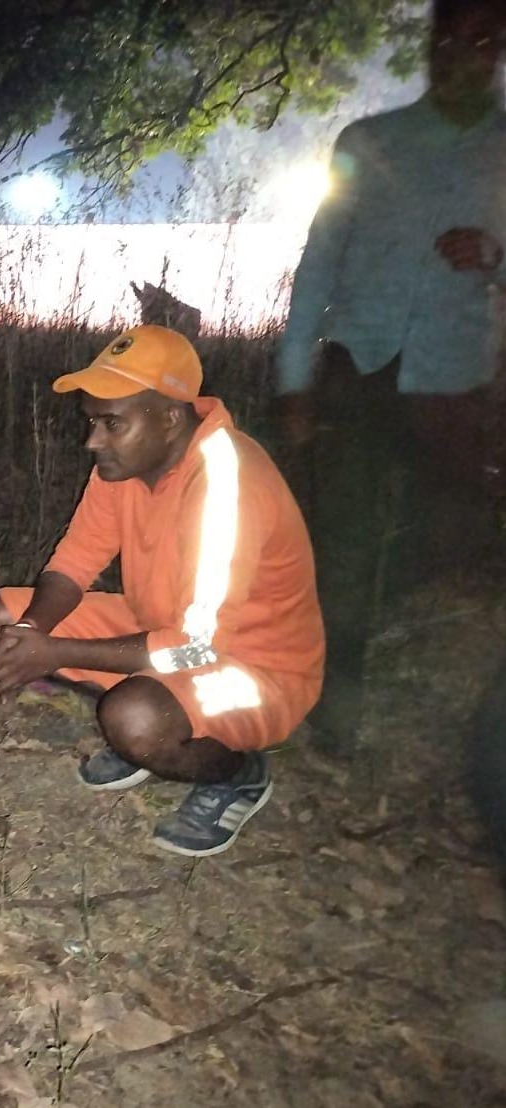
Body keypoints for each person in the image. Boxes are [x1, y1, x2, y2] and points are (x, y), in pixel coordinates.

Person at [0, 325, 324, 858]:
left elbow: (198, 647)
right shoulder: (124, 465)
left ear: (170, 418)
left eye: (112, 423)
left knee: (134, 719)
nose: (93, 441)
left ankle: (236, 772)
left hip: (257, 669)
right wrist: (28, 635)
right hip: (161, 626)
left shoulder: (226, 482)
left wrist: (54, 653)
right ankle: (154, 720)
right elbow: (75, 561)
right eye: (92, 421)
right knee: (2, 618)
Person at [274, 0, 506, 758]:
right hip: (358, 368)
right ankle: (334, 709)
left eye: (480, 40)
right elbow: (319, 262)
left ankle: (355, 604)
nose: (459, 53)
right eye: (448, 37)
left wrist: (496, 255)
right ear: (431, 43)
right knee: (344, 541)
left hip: (454, 380)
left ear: (498, 50)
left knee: (457, 531)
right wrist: (295, 377)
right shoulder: (369, 141)